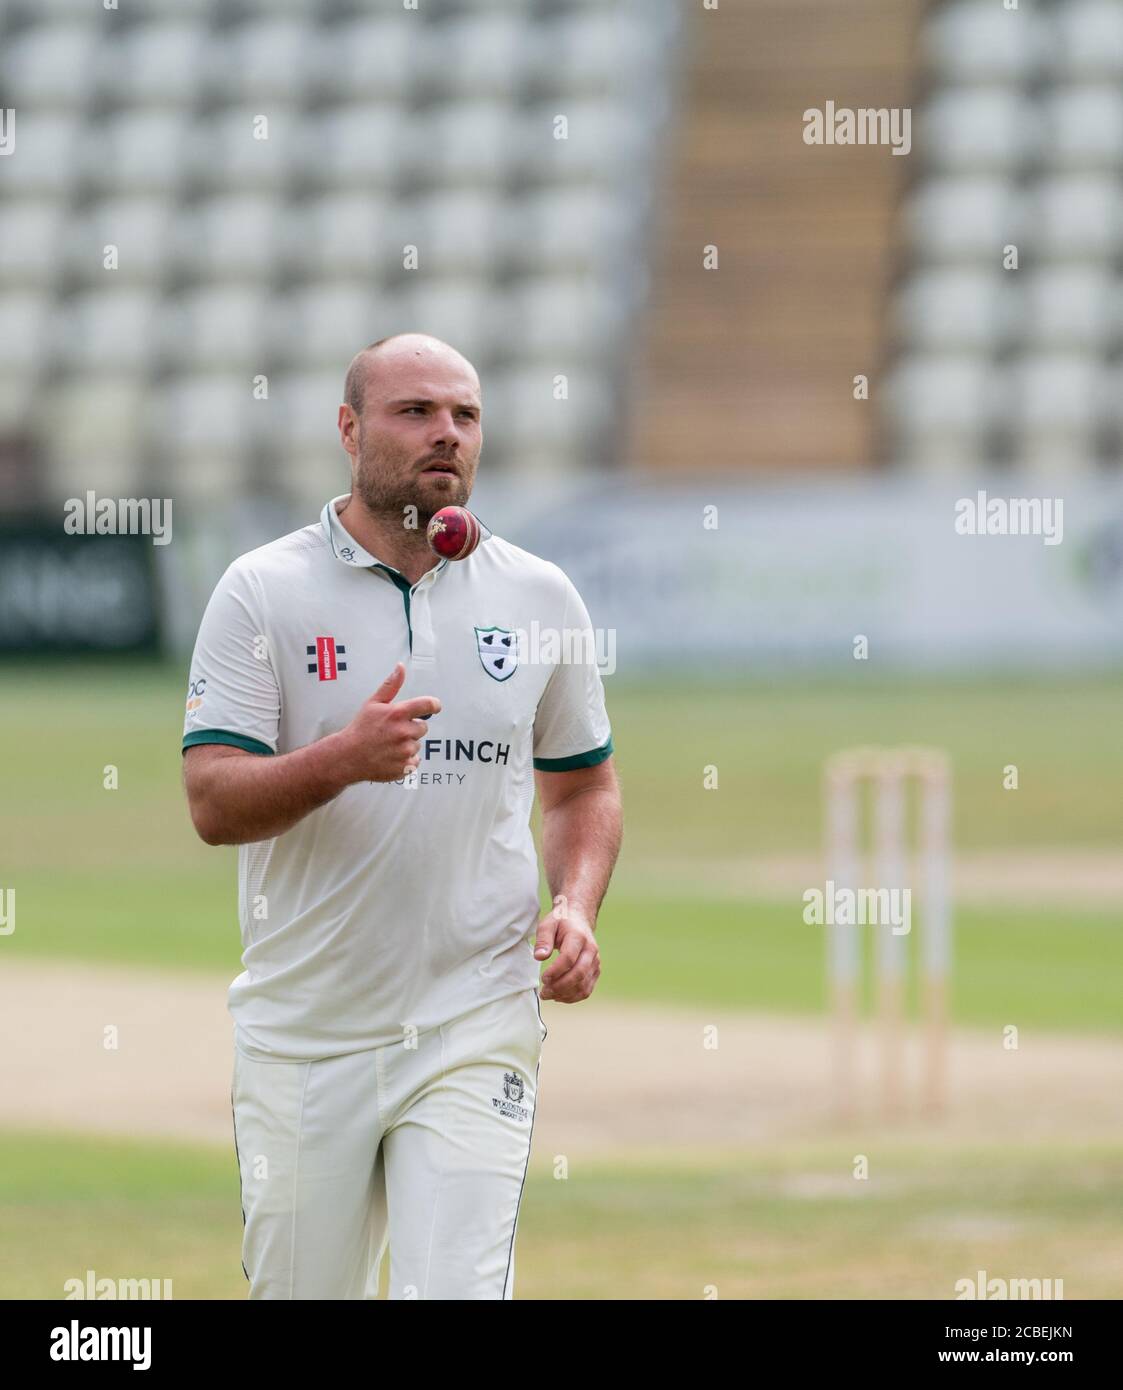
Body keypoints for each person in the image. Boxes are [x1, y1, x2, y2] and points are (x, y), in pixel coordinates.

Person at [181, 333, 623, 1299]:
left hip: (474, 1020)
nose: (446, 435)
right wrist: (344, 759)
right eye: (414, 412)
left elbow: (583, 785)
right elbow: (213, 801)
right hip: (306, 1032)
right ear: (349, 429)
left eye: (464, 416)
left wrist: (577, 902)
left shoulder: (537, 594)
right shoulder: (263, 589)